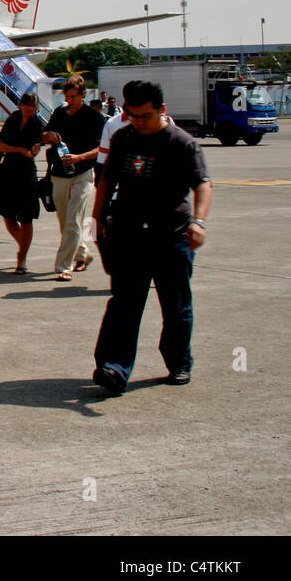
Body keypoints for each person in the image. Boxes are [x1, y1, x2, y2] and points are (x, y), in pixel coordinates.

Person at [91, 80, 212, 395]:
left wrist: (199, 222)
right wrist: (97, 219)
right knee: (125, 303)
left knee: (176, 305)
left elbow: (203, 185)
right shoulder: (123, 138)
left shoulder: (182, 143)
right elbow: (106, 182)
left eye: (146, 116)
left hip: (172, 236)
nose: (140, 122)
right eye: (133, 115)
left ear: (162, 110)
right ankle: (113, 368)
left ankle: (178, 362)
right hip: (129, 234)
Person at [42, 77, 105, 280]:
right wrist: (49, 134)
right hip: (59, 173)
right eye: (67, 96)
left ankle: (63, 267)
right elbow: (44, 136)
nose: (69, 100)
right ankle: (83, 254)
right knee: (64, 221)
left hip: (83, 173)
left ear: (83, 95)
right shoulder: (60, 113)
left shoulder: (94, 117)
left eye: (73, 96)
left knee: (73, 220)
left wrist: (80, 157)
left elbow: (101, 148)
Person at [0, 92, 45, 274]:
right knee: (7, 215)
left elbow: (33, 152)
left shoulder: (38, 125)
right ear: (20, 104)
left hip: (26, 173)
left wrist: (23, 151)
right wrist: (20, 149)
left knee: (26, 217)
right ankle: (24, 245)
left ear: (37, 107)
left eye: (32, 105)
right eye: (26, 104)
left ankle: (22, 257)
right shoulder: (14, 118)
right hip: (8, 170)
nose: (29, 107)